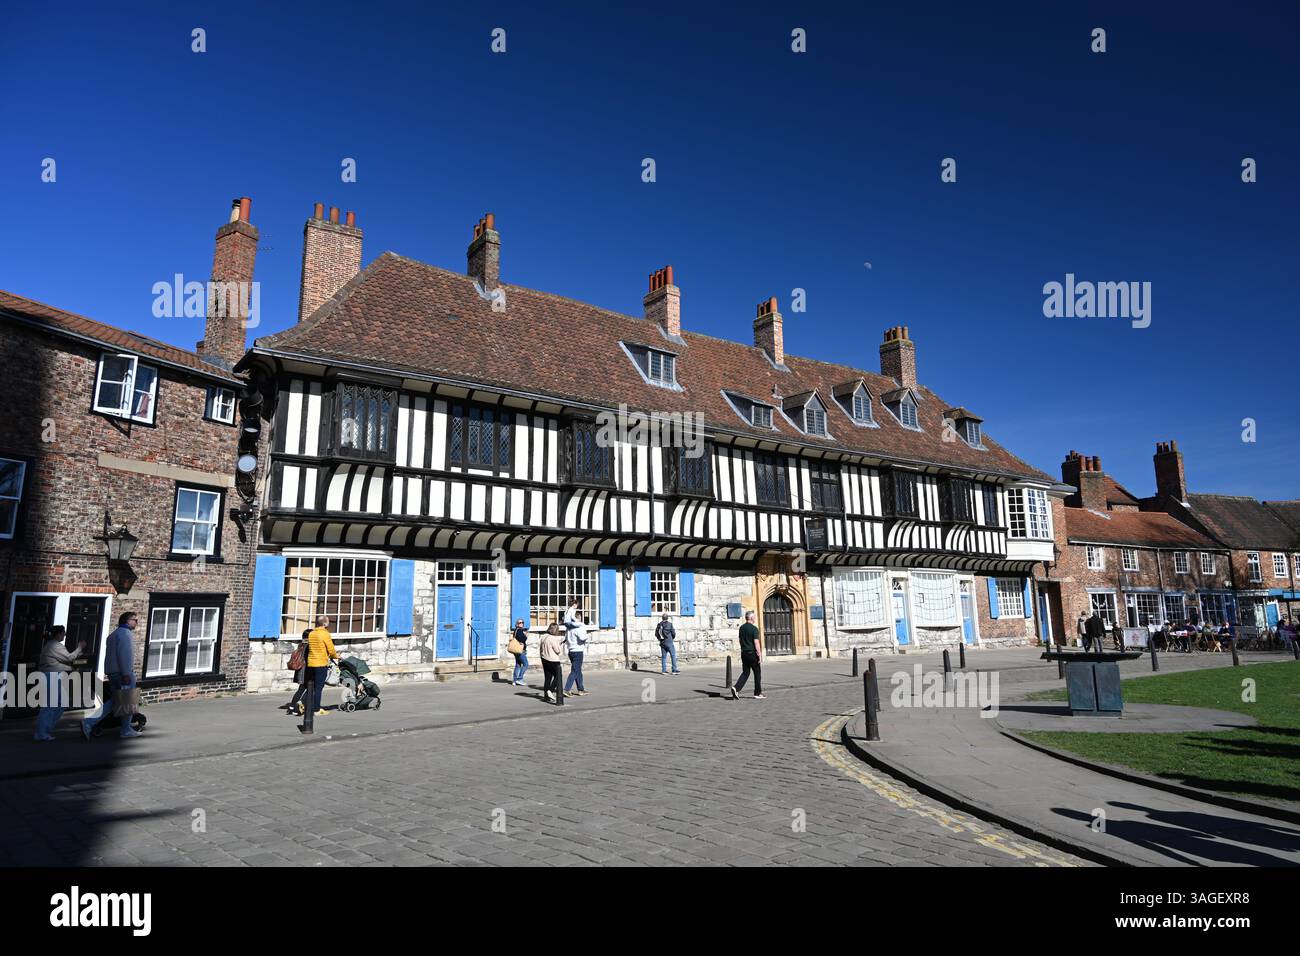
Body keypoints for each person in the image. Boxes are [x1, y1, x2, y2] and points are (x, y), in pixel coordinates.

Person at [82, 611, 143, 740]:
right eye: (135, 620)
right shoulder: (126, 634)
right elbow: (125, 655)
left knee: (114, 702)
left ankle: (89, 722)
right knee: (128, 701)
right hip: (123, 674)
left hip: (113, 673)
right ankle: (125, 730)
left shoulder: (113, 634)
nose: (136, 622)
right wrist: (126, 673)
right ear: (127, 621)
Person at [34, 626, 85, 740]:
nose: (64, 635)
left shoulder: (53, 645)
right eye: (63, 633)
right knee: (51, 705)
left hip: (54, 675)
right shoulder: (55, 645)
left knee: (59, 703)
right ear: (58, 634)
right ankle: (42, 733)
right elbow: (69, 658)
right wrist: (79, 648)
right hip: (52, 676)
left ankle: (44, 730)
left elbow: (65, 659)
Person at [305, 615, 340, 716]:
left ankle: (306, 706)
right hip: (321, 663)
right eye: (328, 621)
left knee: (311, 687)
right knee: (319, 688)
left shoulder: (311, 633)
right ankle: (316, 709)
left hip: (311, 663)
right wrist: (335, 656)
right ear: (324, 623)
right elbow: (331, 649)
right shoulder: (325, 634)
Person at [729, 610, 765, 700]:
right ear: (752, 618)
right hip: (752, 653)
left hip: (744, 653)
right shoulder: (754, 629)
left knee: (746, 672)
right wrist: (759, 654)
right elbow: (756, 642)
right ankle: (757, 693)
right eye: (755, 617)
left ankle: (736, 688)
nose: (755, 618)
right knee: (757, 673)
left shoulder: (742, 628)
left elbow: (740, 640)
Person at [563, 609, 589, 697]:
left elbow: (566, 638)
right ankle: (567, 689)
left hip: (571, 650)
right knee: (575, 670)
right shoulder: (578, 627)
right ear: (578, 618)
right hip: (578, 650)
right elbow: (582, 637)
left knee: (578, 670)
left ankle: (580, 689)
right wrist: (587, 635)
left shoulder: (569, 628)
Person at [286, 627, 311, 716]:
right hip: (306, 670)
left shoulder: (300, 645)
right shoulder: (308, 646)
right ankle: (299, 706)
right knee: (310, 688)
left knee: (301, 689)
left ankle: (292, 706)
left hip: (300, 670)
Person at [539, 622, 566, 703]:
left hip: (544, 658)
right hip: (553, 660)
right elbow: (557, 651)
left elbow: (541, 648)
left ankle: (546, 696)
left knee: (548, 677)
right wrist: (560, 644)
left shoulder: (543, 637)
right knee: (558, 676)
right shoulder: (553, 638)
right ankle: (550, 691)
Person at [510, 618, 530, 686]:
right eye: (519, 623)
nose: (521, 624)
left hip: (516, 650)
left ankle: (514, 680)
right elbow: (522, 639)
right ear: (517, 624)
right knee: (526, 664)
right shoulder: (520, 630)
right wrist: (526, 636)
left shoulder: (516, 630)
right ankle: (519, 679)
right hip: (520, 650)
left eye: (522, 622)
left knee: (518, 665)